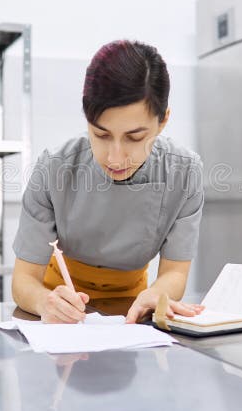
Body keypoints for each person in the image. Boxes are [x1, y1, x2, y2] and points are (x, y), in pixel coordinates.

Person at [12, 40, 205, 324]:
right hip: (57, 311)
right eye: (101, 135)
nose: (115, 157)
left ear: (163, 121)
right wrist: (44, 302)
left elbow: (175, 272)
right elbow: (24, 280)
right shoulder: (54, 167)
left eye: (135, 137)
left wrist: (158, 294)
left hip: (132, 312)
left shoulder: (184, 172)